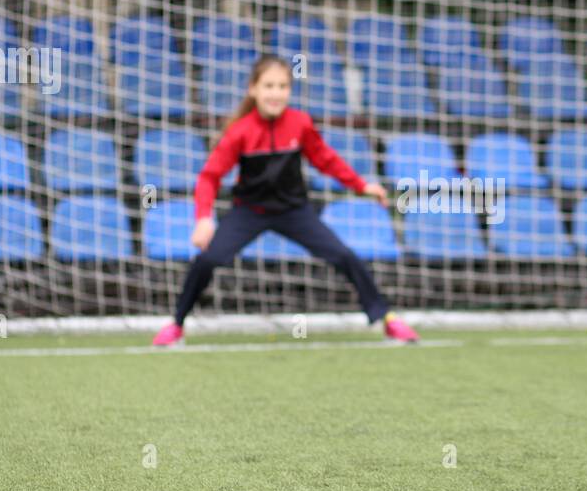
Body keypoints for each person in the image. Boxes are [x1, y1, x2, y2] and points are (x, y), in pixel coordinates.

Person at [152, 55, 420, 346]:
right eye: (269, 85)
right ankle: (176, 325)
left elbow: (326, 160)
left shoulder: (300, 123)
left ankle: (387, 319)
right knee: (208, 260)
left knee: (344, 256)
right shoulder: (240, 131)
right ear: (253, 89)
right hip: (249, 212)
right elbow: (209, 177)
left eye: (282, 86)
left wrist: (361, 185)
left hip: (294, 212)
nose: (276, 93)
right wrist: (203, 218)